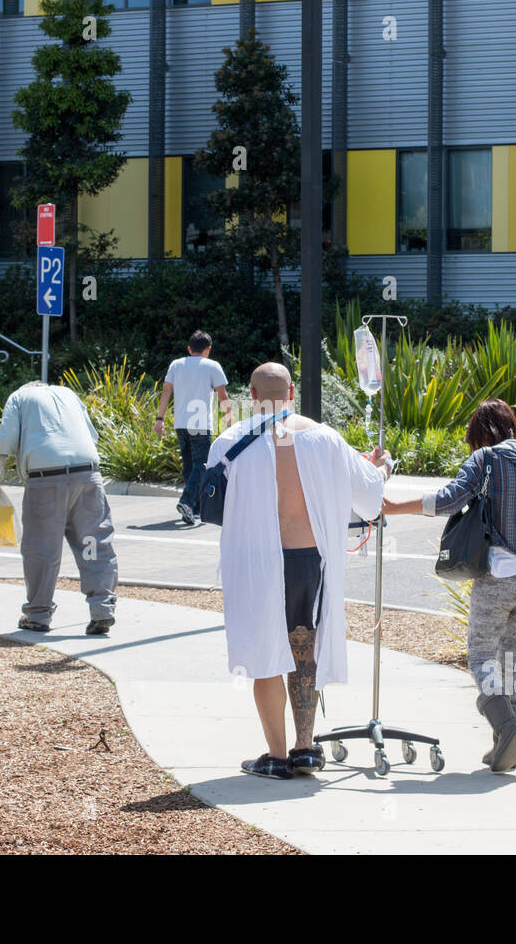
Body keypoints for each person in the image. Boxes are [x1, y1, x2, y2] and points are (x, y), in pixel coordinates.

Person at [209, 362, 392, 780]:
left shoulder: (229, 441)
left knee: (264, 654)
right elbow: (370, 495)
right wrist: (382, 467)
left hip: (256, 561)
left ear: (251, 395)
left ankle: (274, 756)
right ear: (292, 391)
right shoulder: (326, 438)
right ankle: (305, 749)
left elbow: (214, 506)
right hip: (310, 557)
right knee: (303, 645)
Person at [383, 399, 516, 773]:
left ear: (481, 434)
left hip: (502, 572)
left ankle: (506, 726)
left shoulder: (487, 459)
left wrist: (394, 507)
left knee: (481, 655)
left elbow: (450, 500)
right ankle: (504, 743)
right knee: (511, 655)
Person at [0, 381, 118, 636]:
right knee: (94, 543)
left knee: (42, 548)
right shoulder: (68, 393)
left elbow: (4, 441)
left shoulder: (19, 397)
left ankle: (38, 614)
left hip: (46, 478)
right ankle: (102, 608)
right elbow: (92, 436)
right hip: (88, 474)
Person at [154, 330, 232, 526]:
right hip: (200, 424)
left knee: (189, 466)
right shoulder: (212, 366)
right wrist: (229, 418)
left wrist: (159, 418)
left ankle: (193, 509)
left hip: (180, 422)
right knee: (202, 464)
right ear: (208, 349)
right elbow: (223, 395)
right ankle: (187, 502)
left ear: (189, 349)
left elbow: (165, 392)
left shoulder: (176, 364)